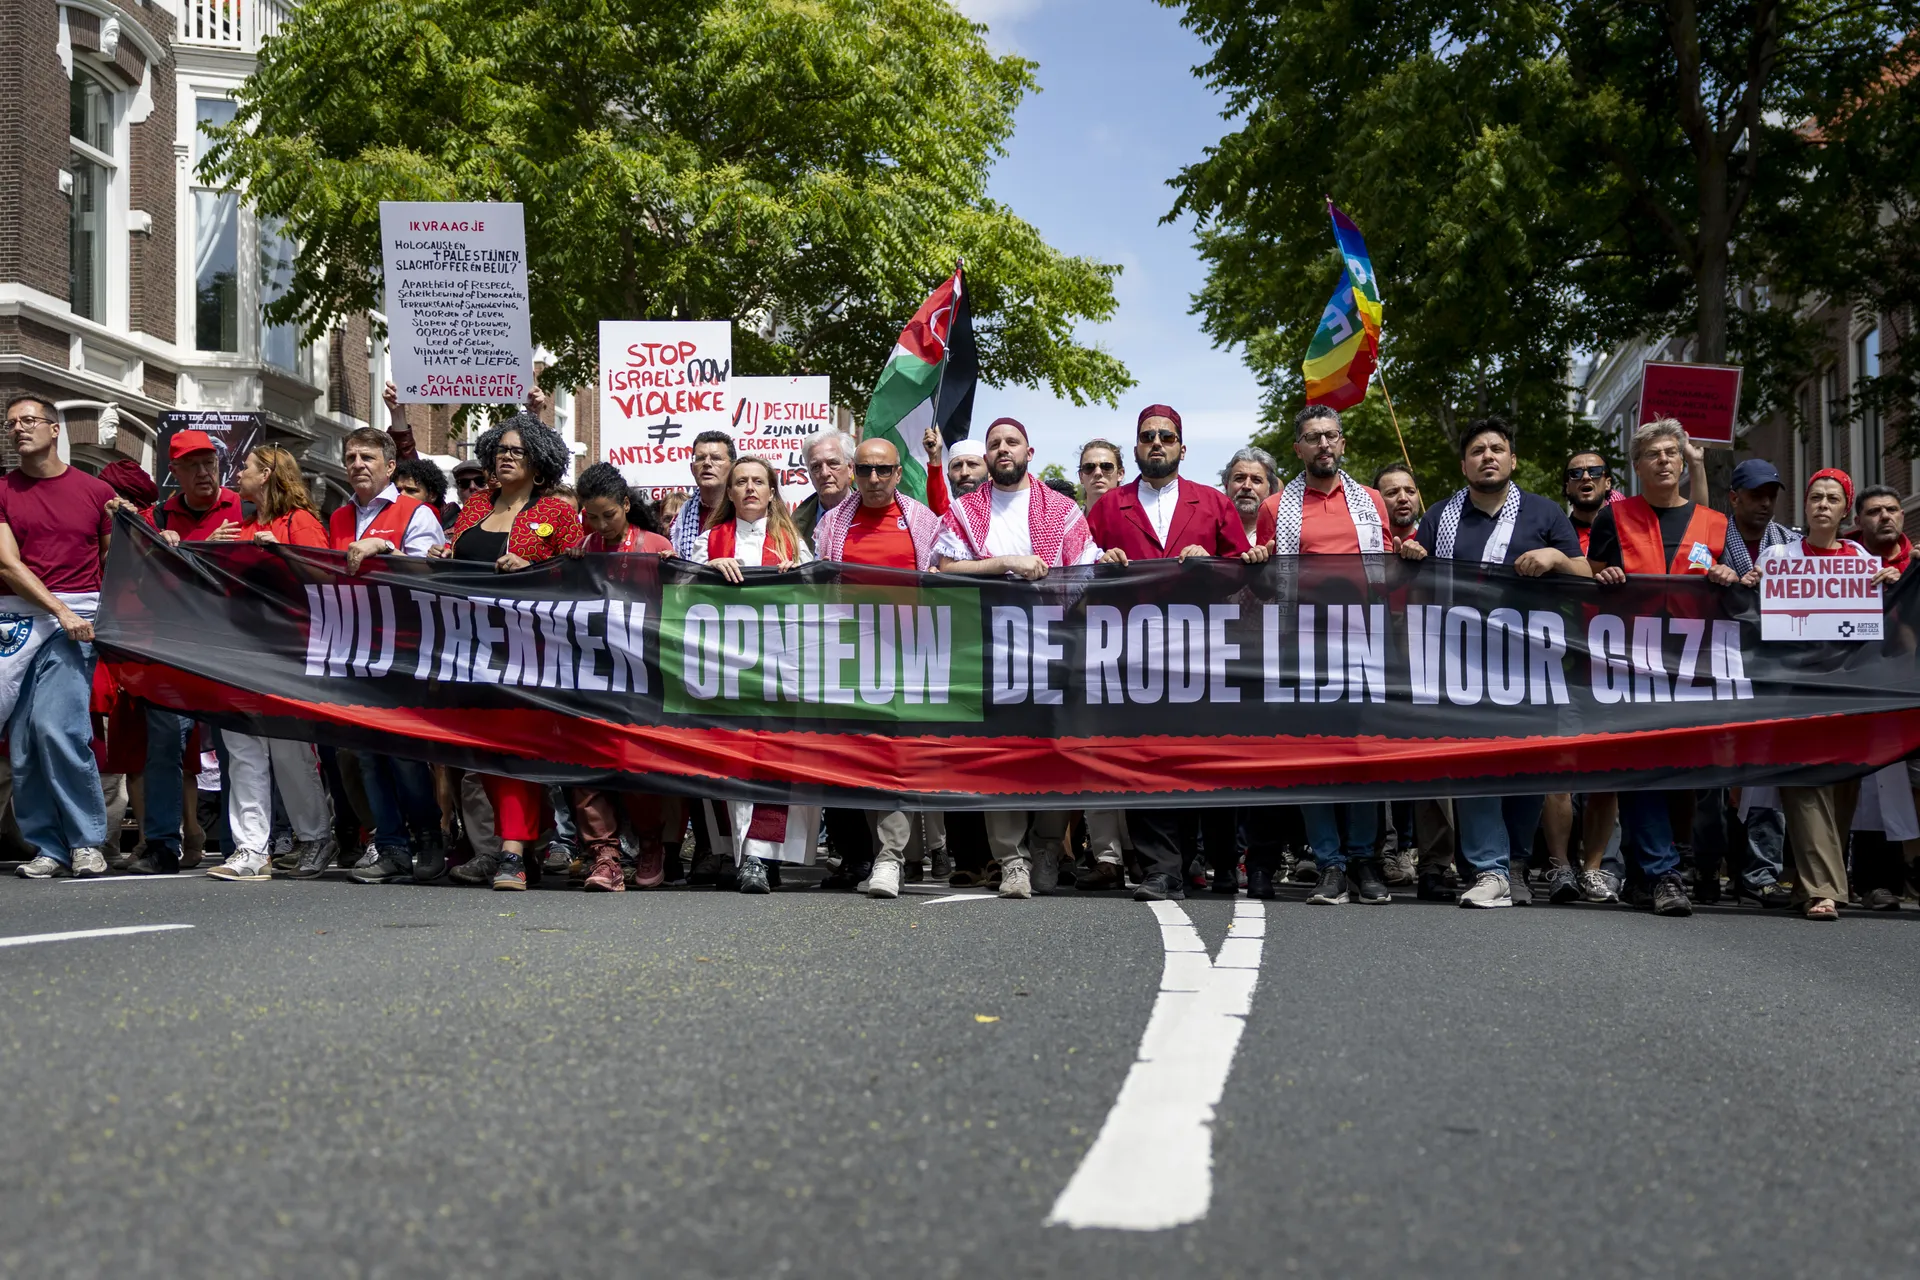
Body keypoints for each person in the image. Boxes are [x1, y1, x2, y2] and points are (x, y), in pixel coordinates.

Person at [1398, 417, 1593, 907]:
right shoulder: (1440, 516)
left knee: (1525, 770)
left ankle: (1516, 864)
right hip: (1461, 665)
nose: (1488, 456)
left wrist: (1554, 557)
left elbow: (1586, 574)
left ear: (1513, 460)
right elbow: (1414, 579)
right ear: (1463, 464)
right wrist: (1412, 557)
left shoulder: (1545, 514)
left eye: (1497, 448)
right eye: (1478, 450)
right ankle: (1490, 868)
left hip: (1531, 664)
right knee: (1476, 765)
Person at [938, 416, 1115, 898]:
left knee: (1058, 752)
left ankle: (1044, 847)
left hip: (1053, 649)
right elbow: (944, 568)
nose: (1002, 450)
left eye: (1011, 442)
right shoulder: (963, 510)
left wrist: (1101, 567)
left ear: (1029, 452)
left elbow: (1085, 568)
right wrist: (1006, 564)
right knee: (1002, 755)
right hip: (989, 650)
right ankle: (1010, 859)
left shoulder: (1062, 509)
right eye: (994, 444)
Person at [1088, 404, 1254, 900]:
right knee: (1146, 757)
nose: (1156, 443)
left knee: (1202, 757)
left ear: (1182, 447)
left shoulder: (1212, 502)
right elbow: (1077, 569)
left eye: (1166, 436)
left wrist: (1215, 561)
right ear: (1135, 448)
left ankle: (1214, 860)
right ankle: (1161, 869)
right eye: (1146, 437)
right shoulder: (1107, 507)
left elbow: (1244, 570)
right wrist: (1101, 562)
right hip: (1134, 652)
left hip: (1202, 650)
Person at [1586, 418, 1743, 917]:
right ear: (1636, 466)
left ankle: (1642, 869)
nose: (1663, 461)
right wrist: (1601, 572)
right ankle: (1662, 873)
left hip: (1696, 666)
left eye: (1671, 454)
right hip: (1633, 661)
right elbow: (1591, 574)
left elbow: (1743, 573)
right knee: (1641, 762)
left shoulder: (1715, 523)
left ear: (1682, 462)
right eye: (1652, 454)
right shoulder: (1615, 517)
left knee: (1680, 772)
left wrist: (1729, 573)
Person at [1253, 404, 1394, 905]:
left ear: (1343, 442)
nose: (1323, 445)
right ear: (1298, 449)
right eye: (1312, 438)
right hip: (1302, 647)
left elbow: (1391, 563)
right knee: (1314, 756)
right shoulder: (1276, 508)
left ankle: (1363, 860)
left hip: (1364, 644)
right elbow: (1267, 584)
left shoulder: (1372, 501)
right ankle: (1330, 864)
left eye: (1331, 436)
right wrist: (1257, 565)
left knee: (1362, 758)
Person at [439, 414, 584, 890]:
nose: (504, 456)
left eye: (517, 451)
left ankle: (512, 856)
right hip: (469, 647)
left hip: (529, 650)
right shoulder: (476, 505)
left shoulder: (557, 514)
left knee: (516, 747)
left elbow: (579, 580)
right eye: (499, 449)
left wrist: (533, 568)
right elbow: (451, 557)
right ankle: (524, 842)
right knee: (486, 753)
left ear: (539, 466)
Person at [302, 426, 448, 883]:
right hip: (353, 648)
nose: (357, 464)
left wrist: (385, 545)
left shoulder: (415, 512)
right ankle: (388, 846)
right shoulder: (340, 517)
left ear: (389, 466)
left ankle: (428, 837)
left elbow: (430, 571)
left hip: (402, 648)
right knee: (366, 753)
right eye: (350, 457)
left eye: (367, 456)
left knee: (402, 751)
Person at [1764, 469, 1901, 919]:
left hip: (1845, 692)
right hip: (1793, 691)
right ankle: (1825, 889)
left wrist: (1891, 582)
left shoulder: (1861, 558)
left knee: (1841, 788)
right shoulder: (1779, 555)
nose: (1823, 505)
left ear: (1846, 511)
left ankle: (1811, 883)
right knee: (1805, 783)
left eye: (1832, 499)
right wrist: (1748, 580)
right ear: (1805, 506)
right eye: (1815, 497)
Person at [813, 438, 946, 899]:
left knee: (897, 756)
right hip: (848, 657)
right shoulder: (832, 524)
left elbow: (944, 580)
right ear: (854, 470)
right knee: (861, 758)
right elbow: (817, 586)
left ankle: (890, 859)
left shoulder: (923, 521)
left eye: (883, 471)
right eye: (865, 470)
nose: (873, 480)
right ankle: (883, 855)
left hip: (909, 655)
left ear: (896, 473)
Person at [200, 446, 336, 881]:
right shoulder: (239, 527)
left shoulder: (300, 522)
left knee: (290, 749)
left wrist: (283, 550)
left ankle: (314, 836)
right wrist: (208, 549)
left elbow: (326, 579)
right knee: (241, 750)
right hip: (238, 650)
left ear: (270, 475)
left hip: (286, 651)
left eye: (247, 468)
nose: (238, 474)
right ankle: (251, 848)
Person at [119, 430, 249, 874]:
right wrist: (160, 552)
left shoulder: (242, 508)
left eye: (209, 462)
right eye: (192, 465)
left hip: (231, 646)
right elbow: (136, 581)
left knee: (236, 747)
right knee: (164, 747)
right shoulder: (156, 518)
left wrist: (233, 547)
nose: (204, 472)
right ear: (173, 472)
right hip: (172, 647)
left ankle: (240, 845)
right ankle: (160, 845)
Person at [0, 393, 115, 879]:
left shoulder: (94, 492)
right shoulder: (3, 490)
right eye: (11, 425)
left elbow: (115, 562)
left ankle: (87, 841)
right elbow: (7, 562)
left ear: (54, 429)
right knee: (24, 740)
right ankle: (46, 844)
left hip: (77, 624)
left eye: (28, 421)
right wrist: (57, 609)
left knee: (57, 726)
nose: (19, 429)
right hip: (19, 621)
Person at [694, 456, 815, 893]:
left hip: (780, 665)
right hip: (725, 667)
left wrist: (797, 576)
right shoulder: (709, 541)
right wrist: (706, 569)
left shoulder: (792, 542)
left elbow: (816, 594)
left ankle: (766, 855)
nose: (749, 488)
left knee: (775, 761)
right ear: (728, 492)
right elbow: (680, 590)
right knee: (736, 761)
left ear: (771, 491)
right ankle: (750, 857)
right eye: (740, 481)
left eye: (758, 482)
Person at [572, 462, 672, 555]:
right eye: (593, 517)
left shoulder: (658, 546)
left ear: (626, 504)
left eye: (609, 515)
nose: (602, 525)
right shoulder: (584, 548)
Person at [1721, 458, 1796, 576]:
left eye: (1772, 496)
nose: (1766, 503)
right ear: (1734, 499)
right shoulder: (1713, 545)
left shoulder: (1793, 544)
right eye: (1756, 495)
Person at [668, 430, 736, 559]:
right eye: (700, 458)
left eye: (716, 458)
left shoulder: (745, 511)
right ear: (692, 468)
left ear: (733, 467)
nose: (707, 463)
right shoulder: (681, 518)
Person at [791, 430, 855, 546]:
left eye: (833, 463)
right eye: (816, 466)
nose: (825, 473)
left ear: (850, 468)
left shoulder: (871, 513)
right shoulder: (794, 525)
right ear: (809, 474)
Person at [1562, 451, 1617, 555]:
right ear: (1567, 487)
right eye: (1576, 473)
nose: (1586, 477)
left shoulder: (1626, 532)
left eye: (1595, 471)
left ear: (1607, 483)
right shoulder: (1556, 536)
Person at [1222, 446, 1280, 545]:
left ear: (1270, 490)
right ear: (1227, 486)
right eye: (1239, 478)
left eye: (1256, 480)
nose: (1247, 486)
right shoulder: (1211, 530)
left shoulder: (1282, 534)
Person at [1854, 484, 1911, 576]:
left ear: (1902, 516)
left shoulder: (1916, 562)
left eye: (1891, 509)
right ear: (1858, 522)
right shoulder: (1839, 561)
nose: (1885, 516)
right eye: (1874, 511)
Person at [395, 456, 455, 526]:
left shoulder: (428, 522)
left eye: (411, 490)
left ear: (431, 496)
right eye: (398, 490)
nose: (401, 494)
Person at [1372, 462, 1423, 544]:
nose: (1403, 498)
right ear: (1376, 500)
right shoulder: (1367, 545)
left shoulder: (1433, 544)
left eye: (1410, 491)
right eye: (1392, 493)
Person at [1077, 438, 1126, 509]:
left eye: (1106, 467)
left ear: (1120, 474)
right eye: (1089, 467)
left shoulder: (1136, 518)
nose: (1097, 473)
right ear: (1081, 476)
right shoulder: (1068, 519)